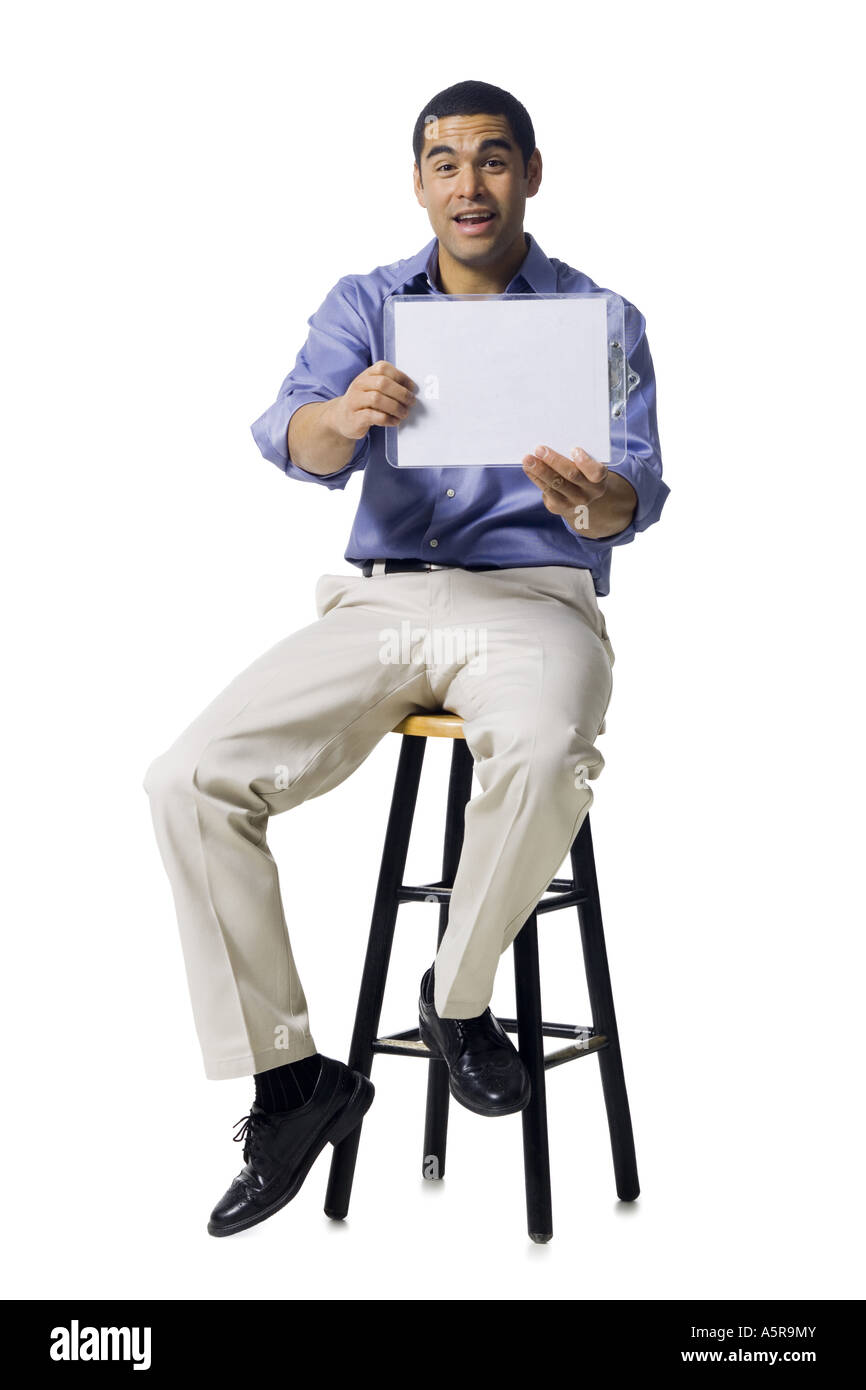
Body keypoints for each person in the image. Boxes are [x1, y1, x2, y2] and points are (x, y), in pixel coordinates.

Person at [143, 78, 670, 1238]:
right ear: (419, 182)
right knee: (187, 776)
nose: (467, 184)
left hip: (535, 594)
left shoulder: (600, 318)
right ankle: (291, 1082)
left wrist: (594, 501)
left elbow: (640, 486)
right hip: (383, 599)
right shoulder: (367, 302)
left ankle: (456, 1000)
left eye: (491, 160)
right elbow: (288, 433)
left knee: (541, 753)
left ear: (531, 173)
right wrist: (345, 413)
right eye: (444, 162)